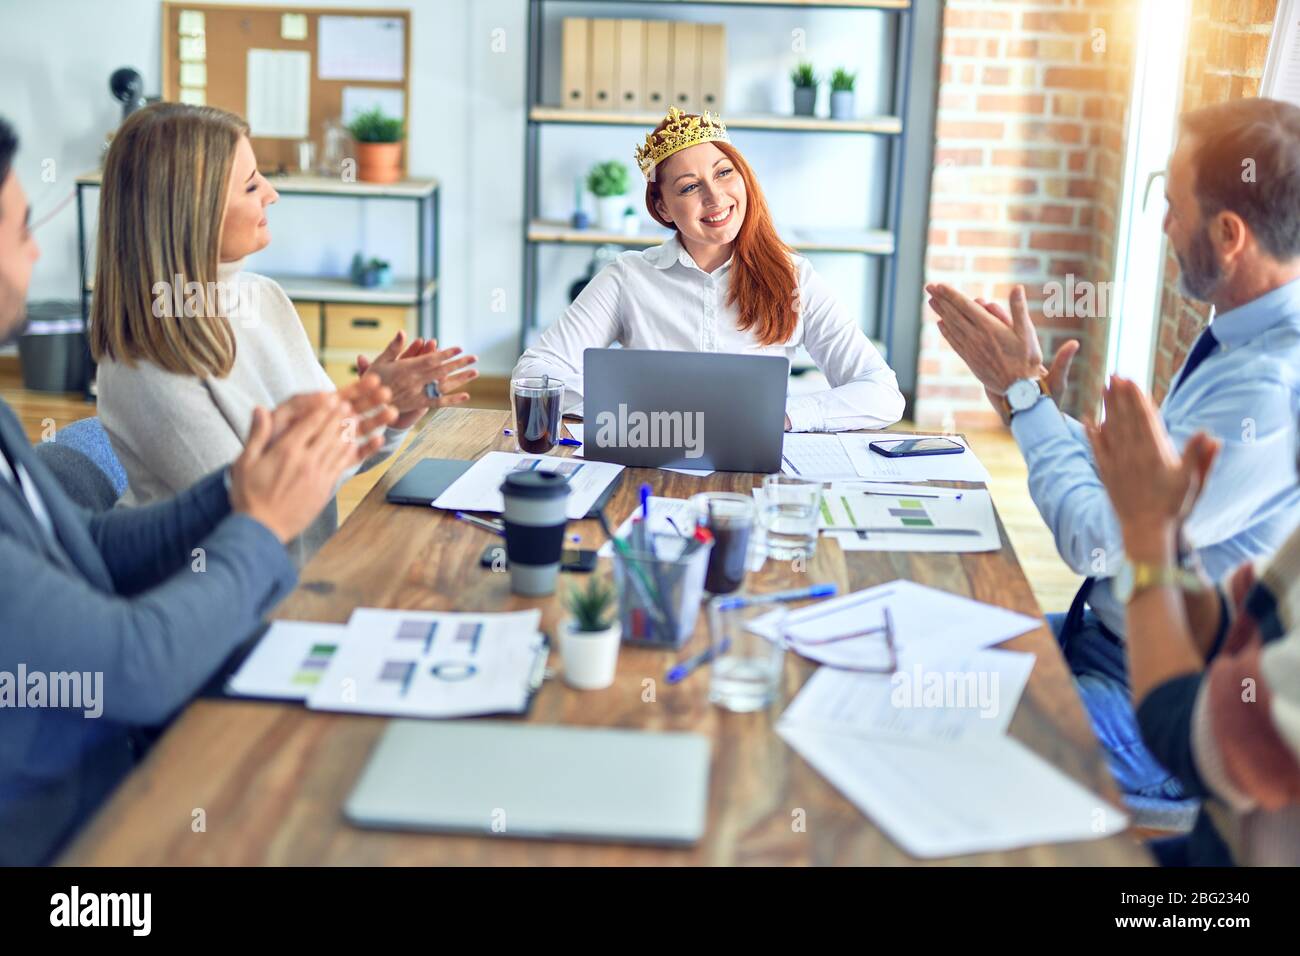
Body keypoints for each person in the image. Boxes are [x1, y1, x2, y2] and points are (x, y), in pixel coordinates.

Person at [0, 116, 399, 864]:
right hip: (88, 830)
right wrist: (259, 514)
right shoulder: (144, 360)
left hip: (125, 753)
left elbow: (82, 543)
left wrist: (266, 476)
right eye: (21, 226)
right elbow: (135, 667)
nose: (38, 249)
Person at [925, 97, 1300, 806]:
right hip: (1104, 638)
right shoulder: (1239, 335)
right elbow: (1134, 487)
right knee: (925, 653)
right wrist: (1032, 403)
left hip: (1157, 699)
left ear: (1229, 234)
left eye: (1174, 205)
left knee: (942, 736)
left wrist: (1030, 406)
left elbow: (1104, 541)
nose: (1162, 225)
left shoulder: (1267, 387)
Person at [91, 103, 478, 566]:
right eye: (253, 185)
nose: (272, 194)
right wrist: (364, 408)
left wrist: (388, 414)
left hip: (298, 585)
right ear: (195, 211)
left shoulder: (263, 298)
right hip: (225, 608)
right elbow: (264, 508)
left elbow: (335, 465)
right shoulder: (144, 366)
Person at [513, 106, 904, 432]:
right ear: (663, 208)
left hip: (754, 465)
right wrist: (632, 408)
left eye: (723, 173)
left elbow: (882, 392)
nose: (715, 197)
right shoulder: (627, 277)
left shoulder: (793, 277)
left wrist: (782, 416)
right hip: (650, 461)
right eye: (688, 187)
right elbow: (533, 373)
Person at [1088, 376, 1300, 865]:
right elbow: (1232, 630)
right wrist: (1174, 539)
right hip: (1217, 841)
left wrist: (1144, 528)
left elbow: (1180, 728)